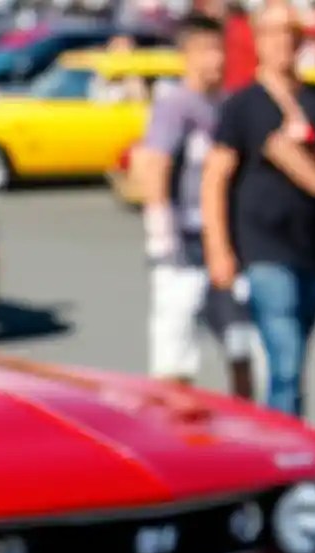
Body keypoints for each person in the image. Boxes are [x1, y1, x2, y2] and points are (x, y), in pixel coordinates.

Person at [201, 3, 315, 417]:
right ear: (258, 40)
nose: (283, 43)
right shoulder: (243, 105)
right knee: (285, 360)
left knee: (296, 354)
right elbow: (215, 178)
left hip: (311, 246)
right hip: (262, 246)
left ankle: (281, 435)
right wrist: (218, 250)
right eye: (273, 33)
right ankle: (286, 449)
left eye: (290, 34)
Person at [135, 14, 254, 398]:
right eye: (204, 51)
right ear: (185, 55)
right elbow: (154, 164)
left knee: (240, 343)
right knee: (177, 348)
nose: (215, 60)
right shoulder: (175, 105)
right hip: (183, 243)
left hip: (226, 242)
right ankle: (173, 419)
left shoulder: (229, 105)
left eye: (219, 50)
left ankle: (247, 421)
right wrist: (161, 234)